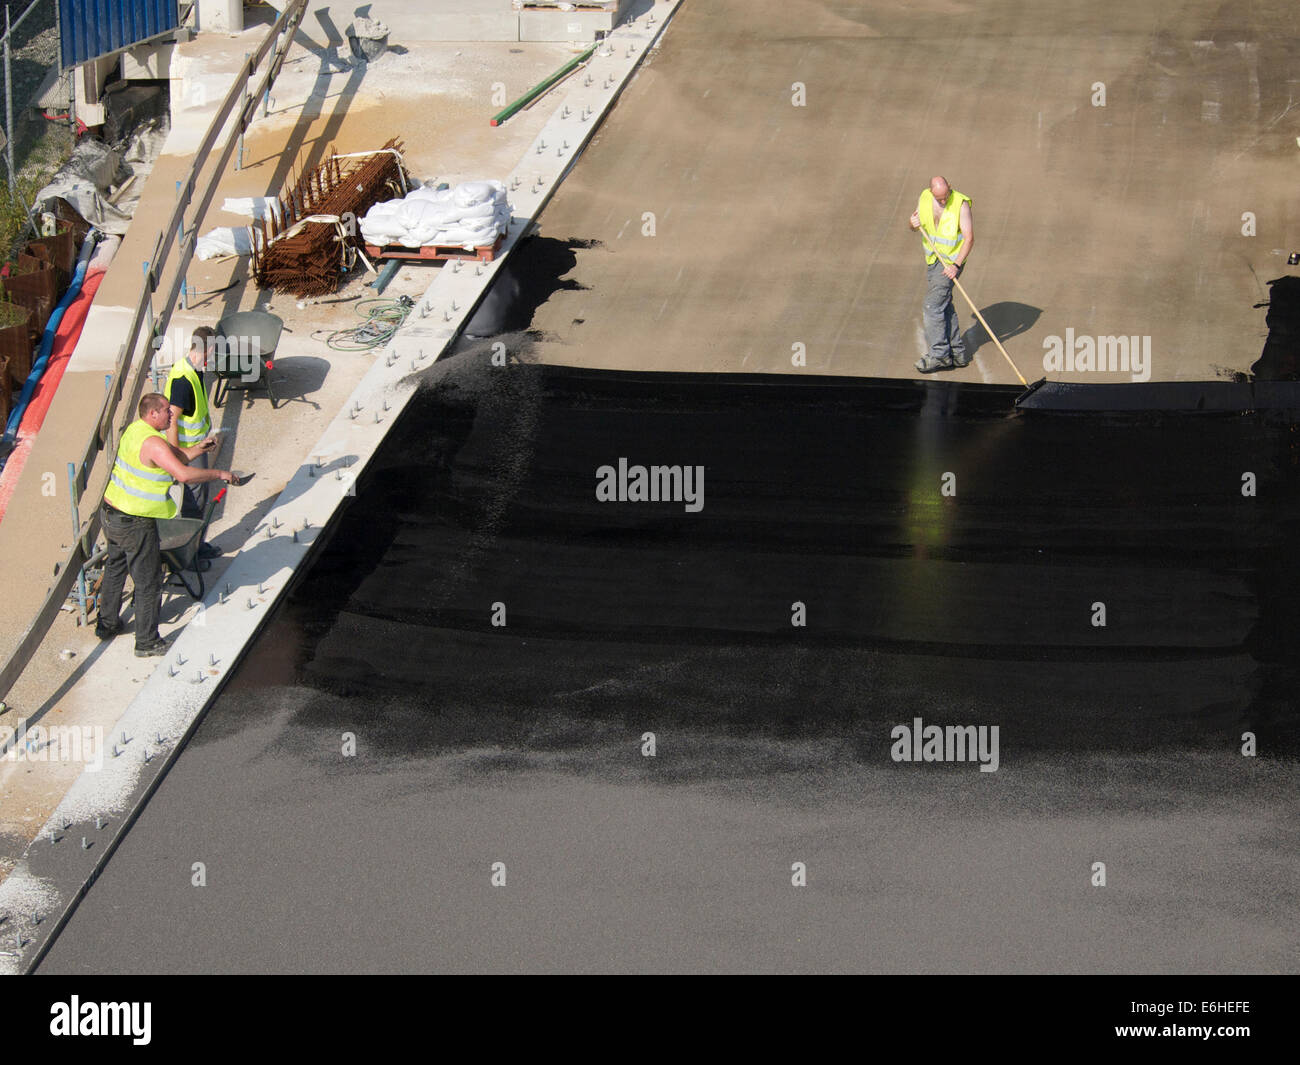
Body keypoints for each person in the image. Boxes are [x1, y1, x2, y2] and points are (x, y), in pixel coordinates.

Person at [96, 392, 238, 657]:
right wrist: (219, 474)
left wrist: (199, 449)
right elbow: (183, 474)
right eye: (166, 412)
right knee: (148, 581)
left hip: (111, 514)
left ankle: (107, 625)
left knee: (115, 568)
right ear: (153, 414)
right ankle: (147, 642)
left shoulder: (135, 431)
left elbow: (178, 458)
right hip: (135, 522)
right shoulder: (154, 442)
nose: (172, 415)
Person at [165, 325, 221, 557]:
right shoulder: (183, 379)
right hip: (188, 451)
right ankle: (193, 549)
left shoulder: (191, 369)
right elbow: (172, 418)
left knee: (199, 495)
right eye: (213, 350)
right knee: (195, 499)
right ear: (205, 349)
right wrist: (177, 453)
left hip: (197, 446)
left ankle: (193, 545)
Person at [908, 175, 974, 374]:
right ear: (931, 192)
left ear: (950, 188)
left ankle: (940, 355)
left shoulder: (961, 204)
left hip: (951, 263)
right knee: (945, 305)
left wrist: (955, 264)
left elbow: (969, 238)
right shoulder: (925, 198)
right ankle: (957, 352)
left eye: (946, 197)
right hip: (933, 261)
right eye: (940, 199)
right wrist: (912, 223)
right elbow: (915, 225)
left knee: (932, 306)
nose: (943, 201)